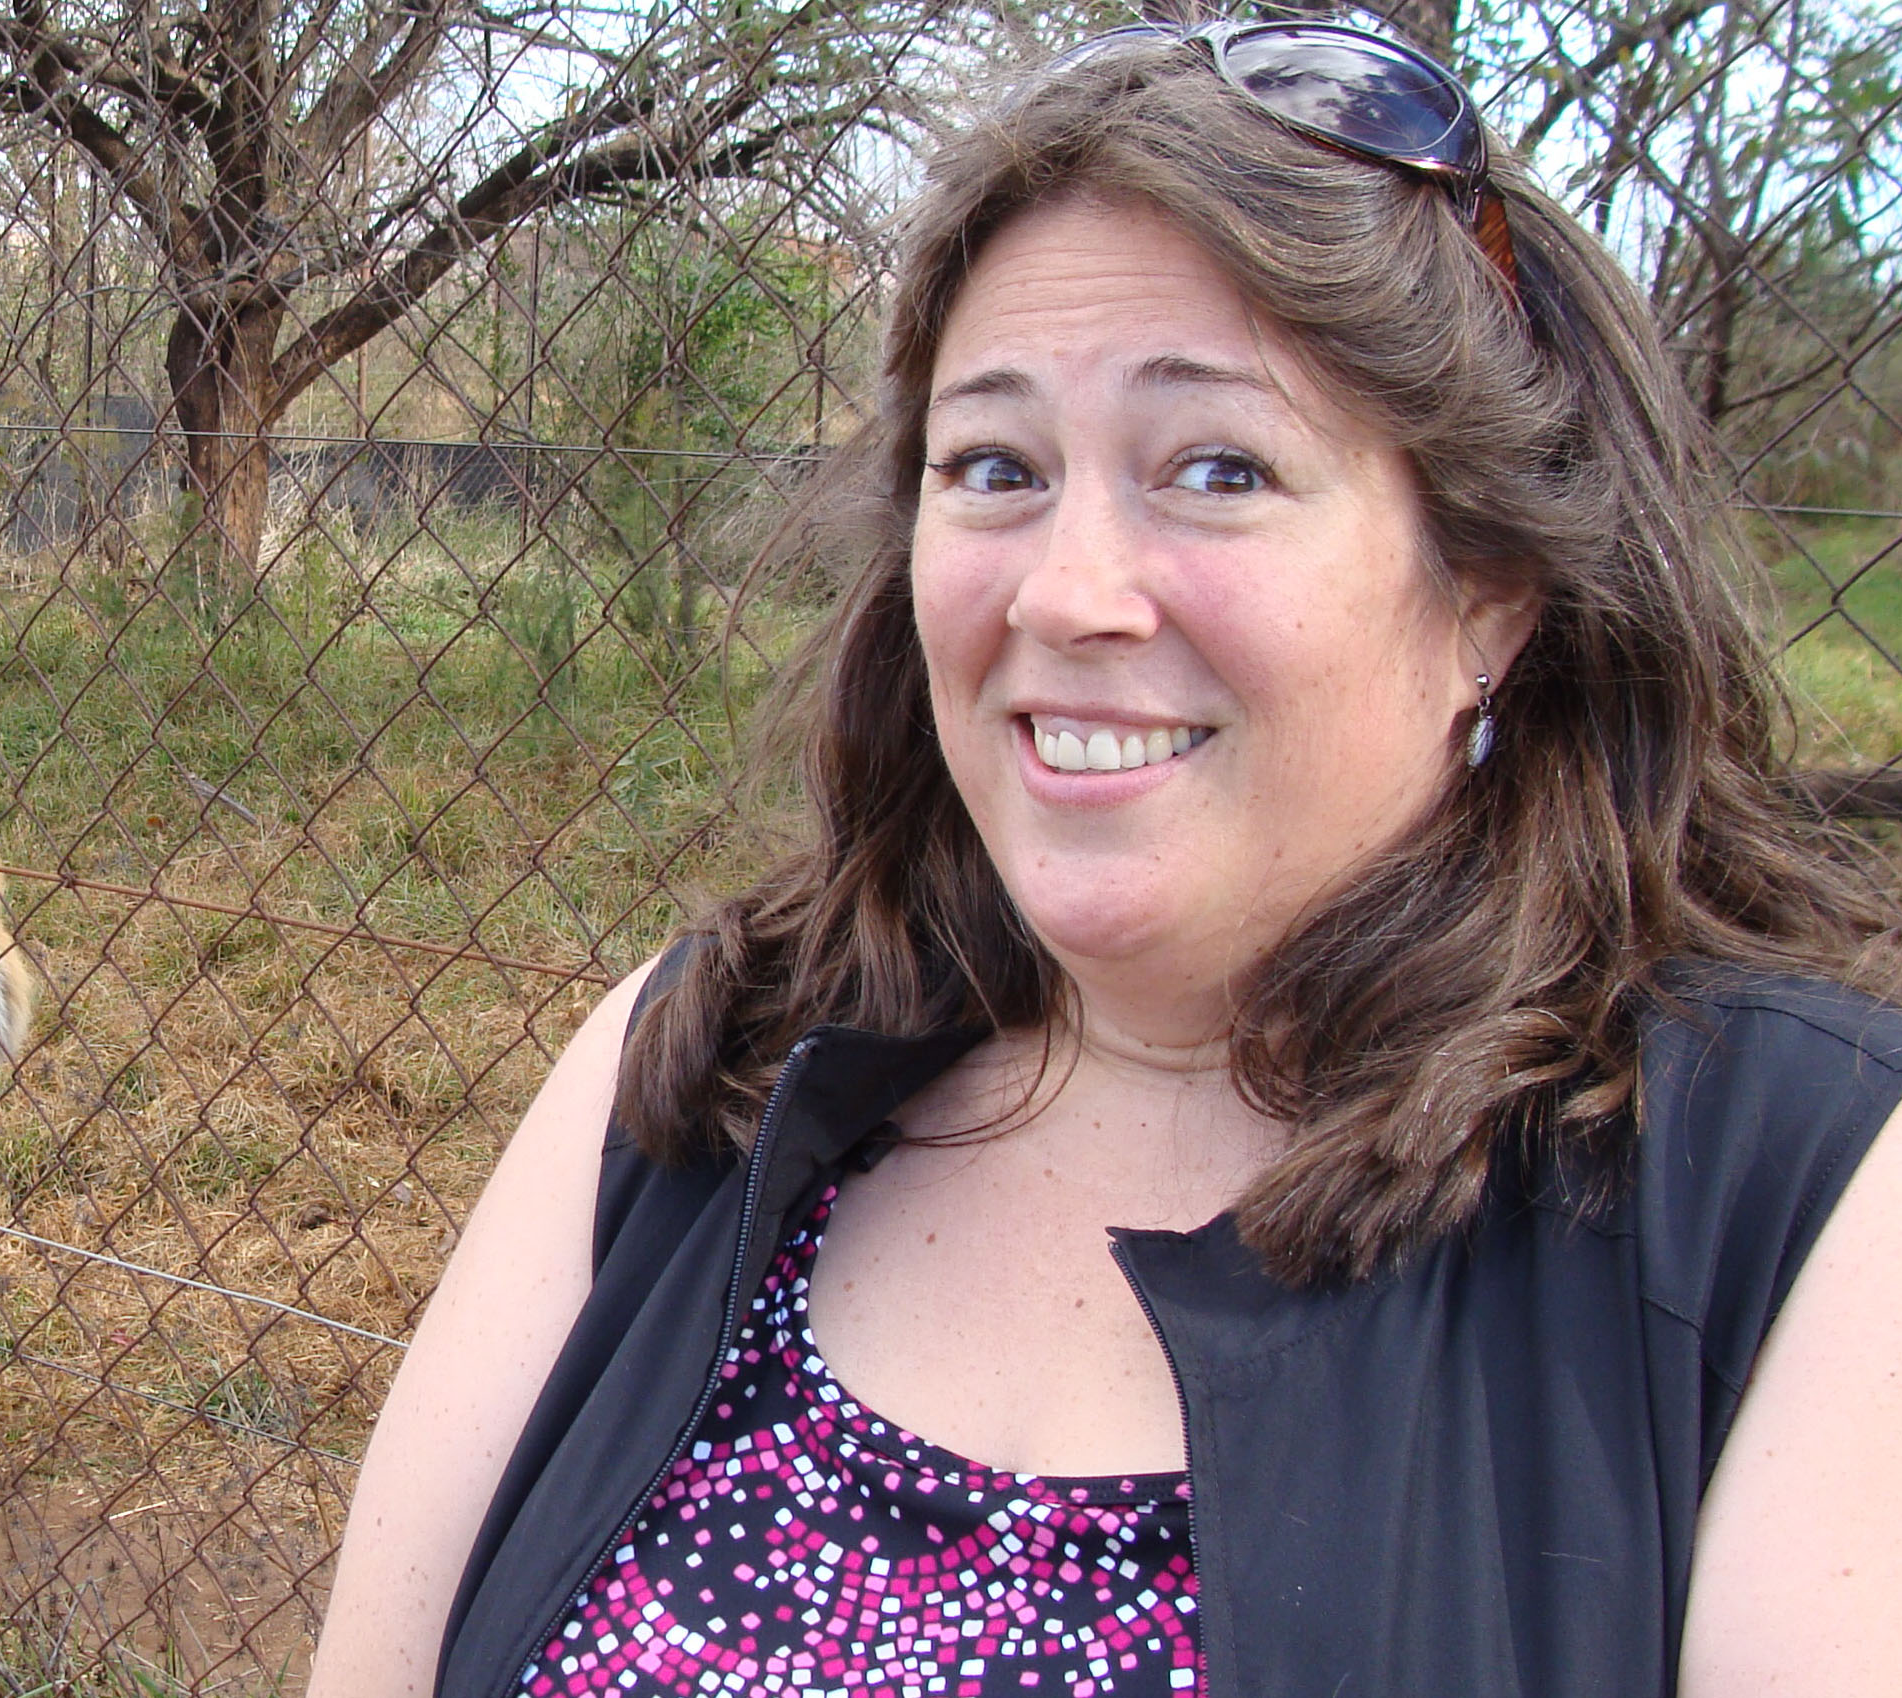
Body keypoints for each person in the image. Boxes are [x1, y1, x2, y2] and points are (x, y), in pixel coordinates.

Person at [309, 20, 1902, 1697]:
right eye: (995, 466)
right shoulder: (699, 1070)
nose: (1066, 592)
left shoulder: (1783, 1197)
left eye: (1217, 469)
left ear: (1489, 587)